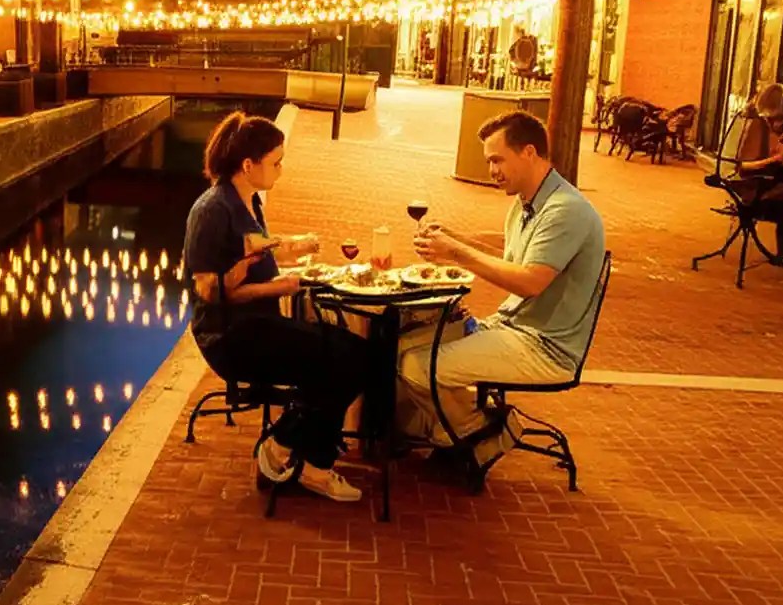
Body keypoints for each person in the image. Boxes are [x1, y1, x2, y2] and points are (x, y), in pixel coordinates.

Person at [182, 111, 379, 503]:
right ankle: (291, 451)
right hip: (230, 336)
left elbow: (258, 257)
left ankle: (307, 455)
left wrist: (293, 260)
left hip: (259, 325)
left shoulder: (249, 202)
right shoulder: (211, 211)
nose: (281, 171)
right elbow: (211, 294)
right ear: (248, 165)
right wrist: (280, 288)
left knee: (354, 353)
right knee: (347, 359)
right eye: (276, 162)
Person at [402, 111, 606, 469]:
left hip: (543, 345)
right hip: (510, 326)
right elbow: (516, 260)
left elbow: (528, 281)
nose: (492, 170)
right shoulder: (526, 202)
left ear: (529, 152)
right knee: (403, 342)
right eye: (488, 161)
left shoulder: (565, 210)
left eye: (497, 160)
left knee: (415, 365)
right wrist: (456, 240)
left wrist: (457, 253)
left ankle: (483, 432)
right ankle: (444, 431)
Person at [729, 83, 783, 263]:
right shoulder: (758, 125)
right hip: (753, 190)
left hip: (765, 184)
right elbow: (744, 166)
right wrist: (774, 159)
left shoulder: (777, 128)